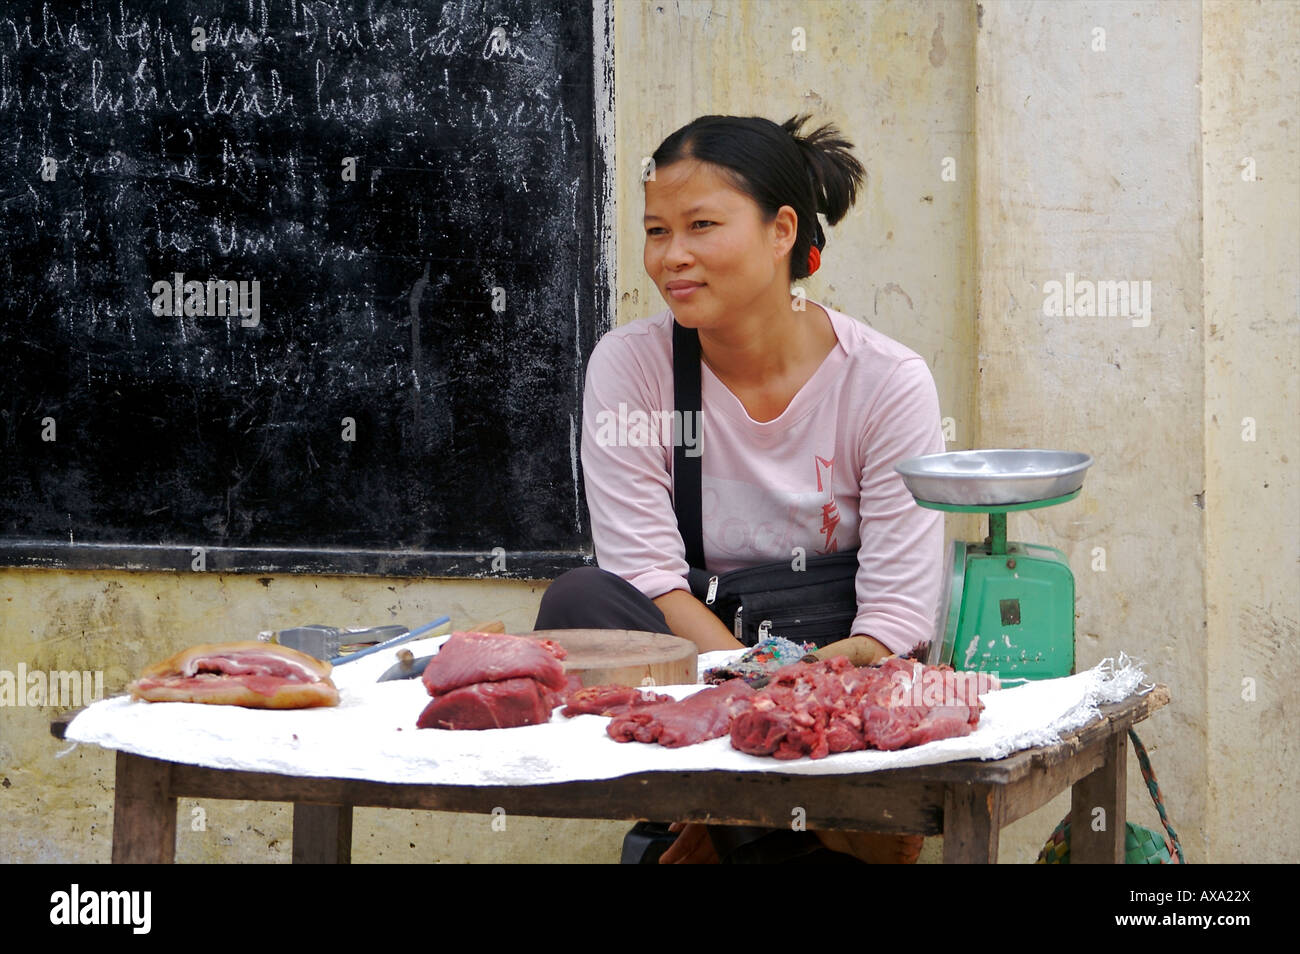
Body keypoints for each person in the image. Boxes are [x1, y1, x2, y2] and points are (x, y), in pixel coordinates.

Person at [534, 114, 944, 864]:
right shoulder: (633, 367)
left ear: (783, 230)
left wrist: (802, 690)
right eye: (657, 231)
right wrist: (750, 695)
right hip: (701, 656)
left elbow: (896, 617)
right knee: (580, 603)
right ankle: (767, 822)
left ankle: (730, 829)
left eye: (701, 225)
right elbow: (646, 574)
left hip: (839, 662)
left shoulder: (885, 382)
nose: (672, 257)